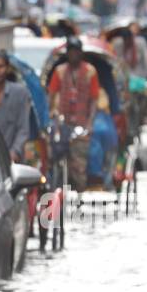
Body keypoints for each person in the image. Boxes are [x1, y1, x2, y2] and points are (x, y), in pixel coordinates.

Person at [48, 37, 99, 192]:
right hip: (62, 122)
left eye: (76, 51)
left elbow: (94, 100)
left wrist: (90, 123)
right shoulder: (60, 71)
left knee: (79, 165)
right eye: (71, 51)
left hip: (82, 124)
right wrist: (52, 115)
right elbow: (51, 96)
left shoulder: (90, 72)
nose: (73, 55)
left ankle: (79, 194)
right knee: (52, 157)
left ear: (80, 53)